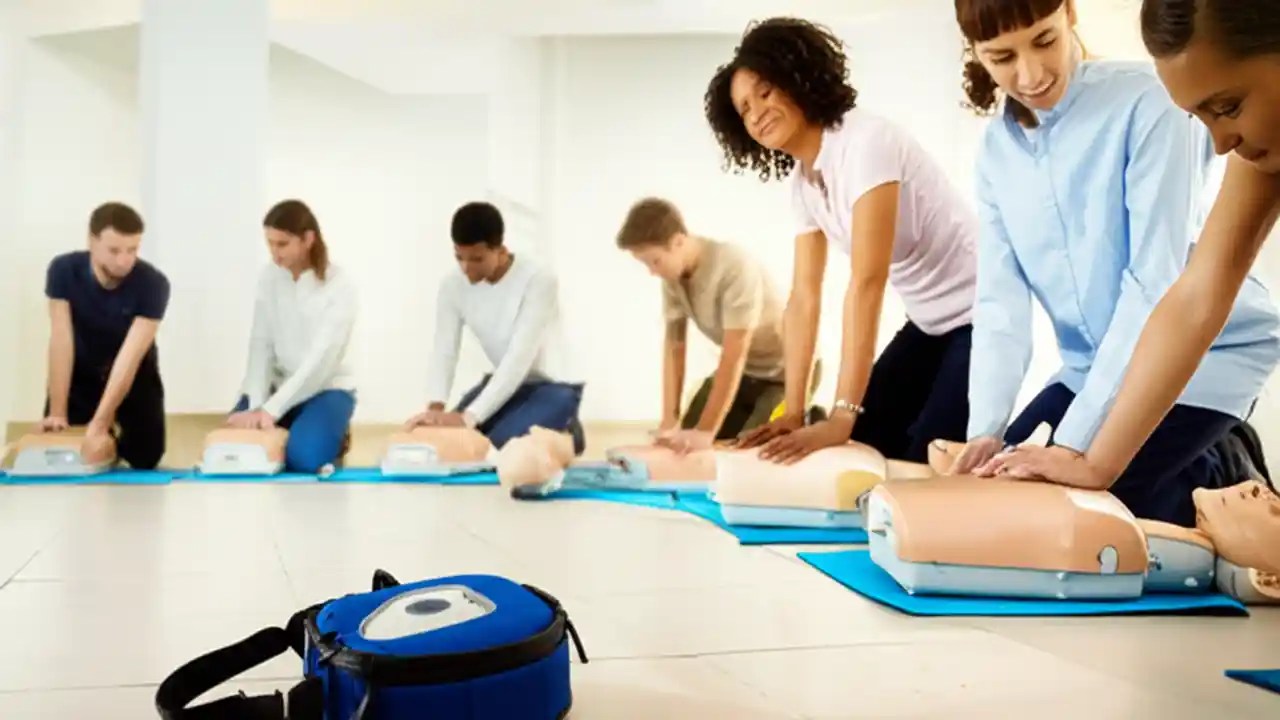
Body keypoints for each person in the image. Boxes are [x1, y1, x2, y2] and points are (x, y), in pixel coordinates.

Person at [946, 0, 1280, 527]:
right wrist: (989, 432)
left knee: (1084, 515)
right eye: (1001, 56)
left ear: (1069, 16)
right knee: (999, 496)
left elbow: (1158, 283)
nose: (1029, 74)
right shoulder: (995, 154)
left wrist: (1081, 450)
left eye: (1045, 41)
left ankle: (1220, 469)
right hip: (1093, 367)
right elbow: (999, 301)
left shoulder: (1148, 100)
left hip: (1206, 357)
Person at [704, 17, 979, 465]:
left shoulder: (866, 142)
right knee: (868, 444)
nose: (756, 113)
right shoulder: (803, 183)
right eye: (744, 109)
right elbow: (804, 298)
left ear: (797, 77)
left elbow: (866, 283)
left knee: (922, 456)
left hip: (984, 316)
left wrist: (840, 413)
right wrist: (793, 410)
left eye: (765, 92)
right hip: (929, 323)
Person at [615, 197, 793, 451]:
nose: (652, 272)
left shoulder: (734, 266)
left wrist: (706, 431)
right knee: (681, 444)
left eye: (654, 261)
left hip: (784, 376)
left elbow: (734, 353)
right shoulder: (673, 278)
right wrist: (669, 420)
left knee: (750, 450)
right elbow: (674, 348)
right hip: (746, 373)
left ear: (678, 241)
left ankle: (809, 416)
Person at [407, 202, 586, 453]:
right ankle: (546, 428)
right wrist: (434, 412)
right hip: (504, 384)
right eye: (459, 257)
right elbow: (444, 350)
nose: (466, 268)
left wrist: (467, 418)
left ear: (501, 250)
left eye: (477, 259)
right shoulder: (452, 285)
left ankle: (569, 432)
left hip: (553, 387)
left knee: (496, 447)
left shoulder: (538, 279)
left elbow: (519, 358)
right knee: (447, 442)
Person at [228, 199, 358, 474]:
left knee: (305, 460)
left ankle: (333, 436)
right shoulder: (269, 277)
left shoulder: (339, 285)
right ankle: (293, 425)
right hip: (278, 385)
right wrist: (255, 405)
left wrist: (270, 412)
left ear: (308, 239)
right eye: (270, 244)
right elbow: (260, 344)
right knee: (236, 452)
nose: (275, 254)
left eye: (282, 244)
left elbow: (320, 363)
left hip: (326, 389)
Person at [41, 202, 170, 469]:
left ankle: (113, 440)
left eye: (132, 250)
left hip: (134, 376)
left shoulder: (153, 283)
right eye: (114, 251)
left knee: (146, 456)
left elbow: (130, 357)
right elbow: (61, 340)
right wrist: (57, 412)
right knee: (58, 449)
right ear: (92, 241)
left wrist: (100, 423)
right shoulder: (63, 270)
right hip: (83, 370)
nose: (124, 260)